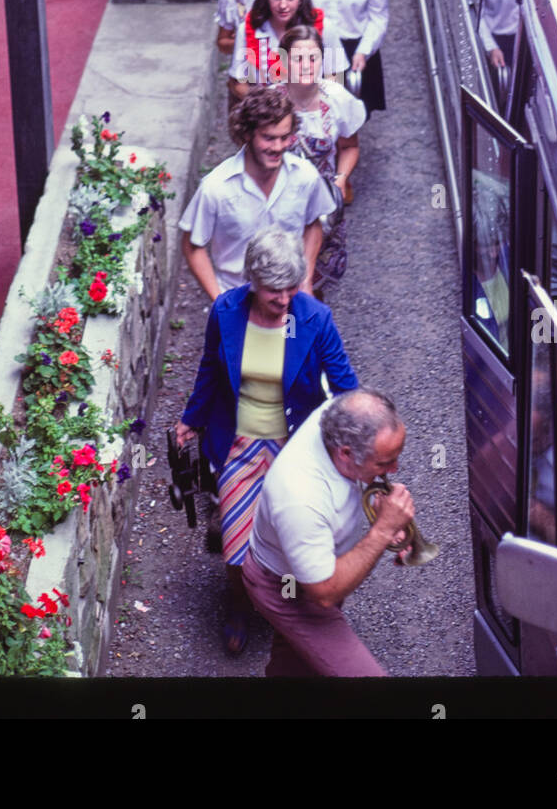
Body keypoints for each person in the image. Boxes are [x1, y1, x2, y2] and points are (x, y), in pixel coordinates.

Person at [175, 228, 359, 655]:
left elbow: (348, 389)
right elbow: (208, 370)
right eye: (274, 290)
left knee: (295, 539)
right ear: (253, 282)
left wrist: (361, 442)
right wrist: (192, 418)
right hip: (237, 445)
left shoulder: (314, 318)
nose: (284, 300)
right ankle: (240, 605)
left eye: (292, 288)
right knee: (237, 549)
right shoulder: (225, 311)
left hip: (293, 449)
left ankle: (292, 613)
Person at [242, 387, 415, 676]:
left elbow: (358, 481)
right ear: (346, 453)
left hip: (315, 562)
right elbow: (323, 592)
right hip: (288, 587)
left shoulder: (340, 414)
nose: (394, 470)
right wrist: (383, 529)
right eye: (384, 463)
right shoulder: (299, 496)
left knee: (295, 658)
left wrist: (378, 506)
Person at [179, 85, 338, 301]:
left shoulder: (305, 176)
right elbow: (192, 245)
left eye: (284, 137)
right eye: (268, 138)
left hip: (289, 299)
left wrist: (306, 280)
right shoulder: (215, 187)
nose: (278, 147)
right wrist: (219, 301)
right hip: (239, 301)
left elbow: (313, 225)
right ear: (246, 134)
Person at [281, 24, 365, 292]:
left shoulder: (337, 98)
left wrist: (340, 180)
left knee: (311, 285)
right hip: (281, 205)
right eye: (298, 59)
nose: (306, 66)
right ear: (284, 60)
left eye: (313, 58)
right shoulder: (271, 102)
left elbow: (350, 146)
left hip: (322, 205)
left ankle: (308, 329)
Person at [228, 0, 348, 100]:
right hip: (267, 113)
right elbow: (237, 83)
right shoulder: (249, 29)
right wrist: (266, 104)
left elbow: (335, 77)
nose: (283, 5)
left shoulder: (324, 28)